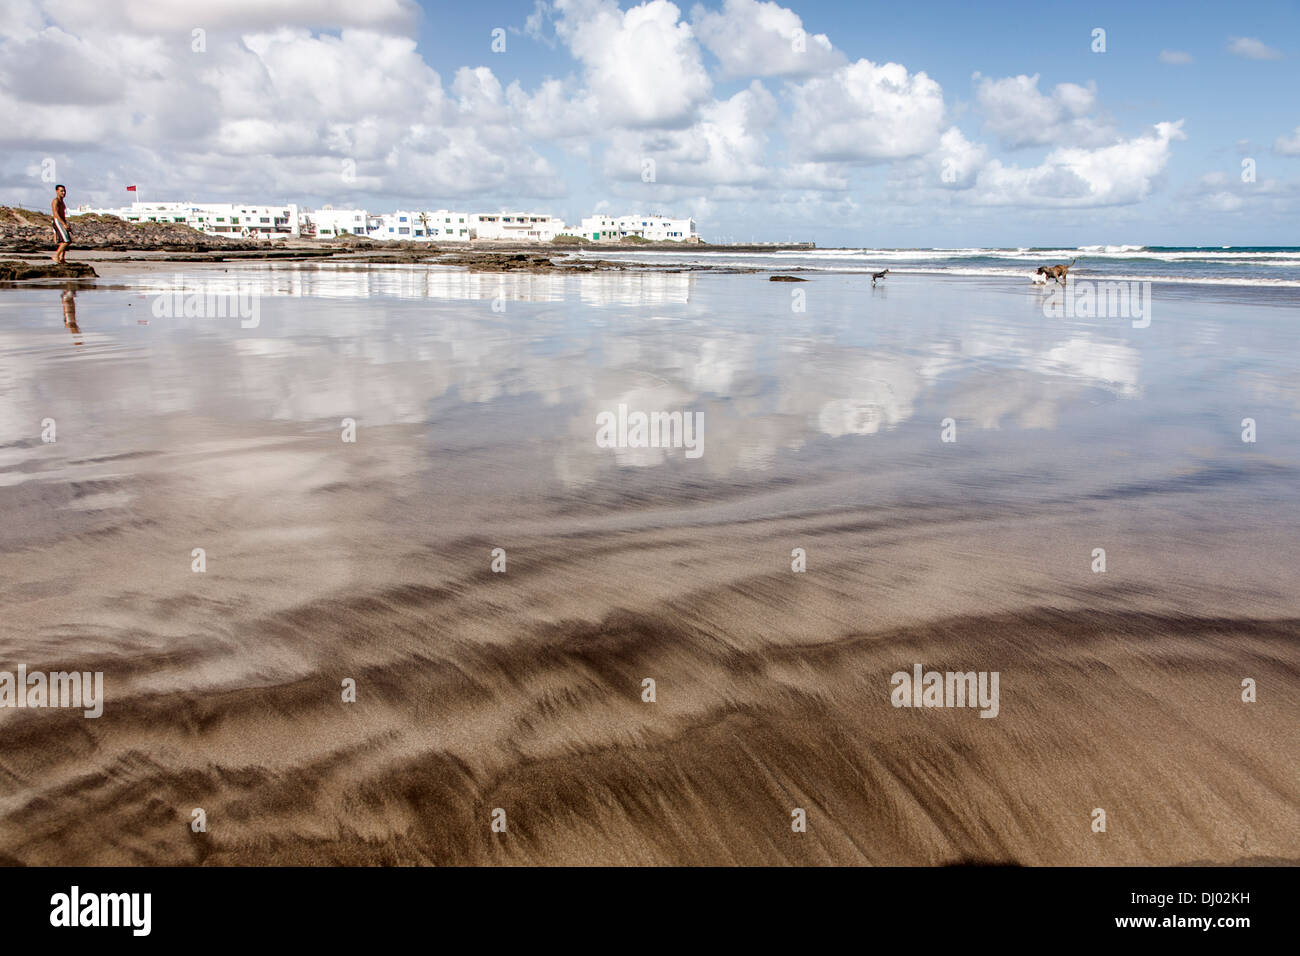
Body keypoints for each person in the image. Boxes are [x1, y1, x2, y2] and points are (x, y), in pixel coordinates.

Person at [50, 184, 71, 264]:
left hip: (62, 221)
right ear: (57, 191)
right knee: (66, 241)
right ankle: (56, 256)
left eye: (64, 191)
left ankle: (62, 258)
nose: (64, 192)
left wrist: (65, 224)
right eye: (61, 191)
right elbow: (56, 214)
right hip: (58, 221)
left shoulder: (62, 202)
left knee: (68, 241)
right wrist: (63, 224)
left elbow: (62, 214)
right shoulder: (55, 201)